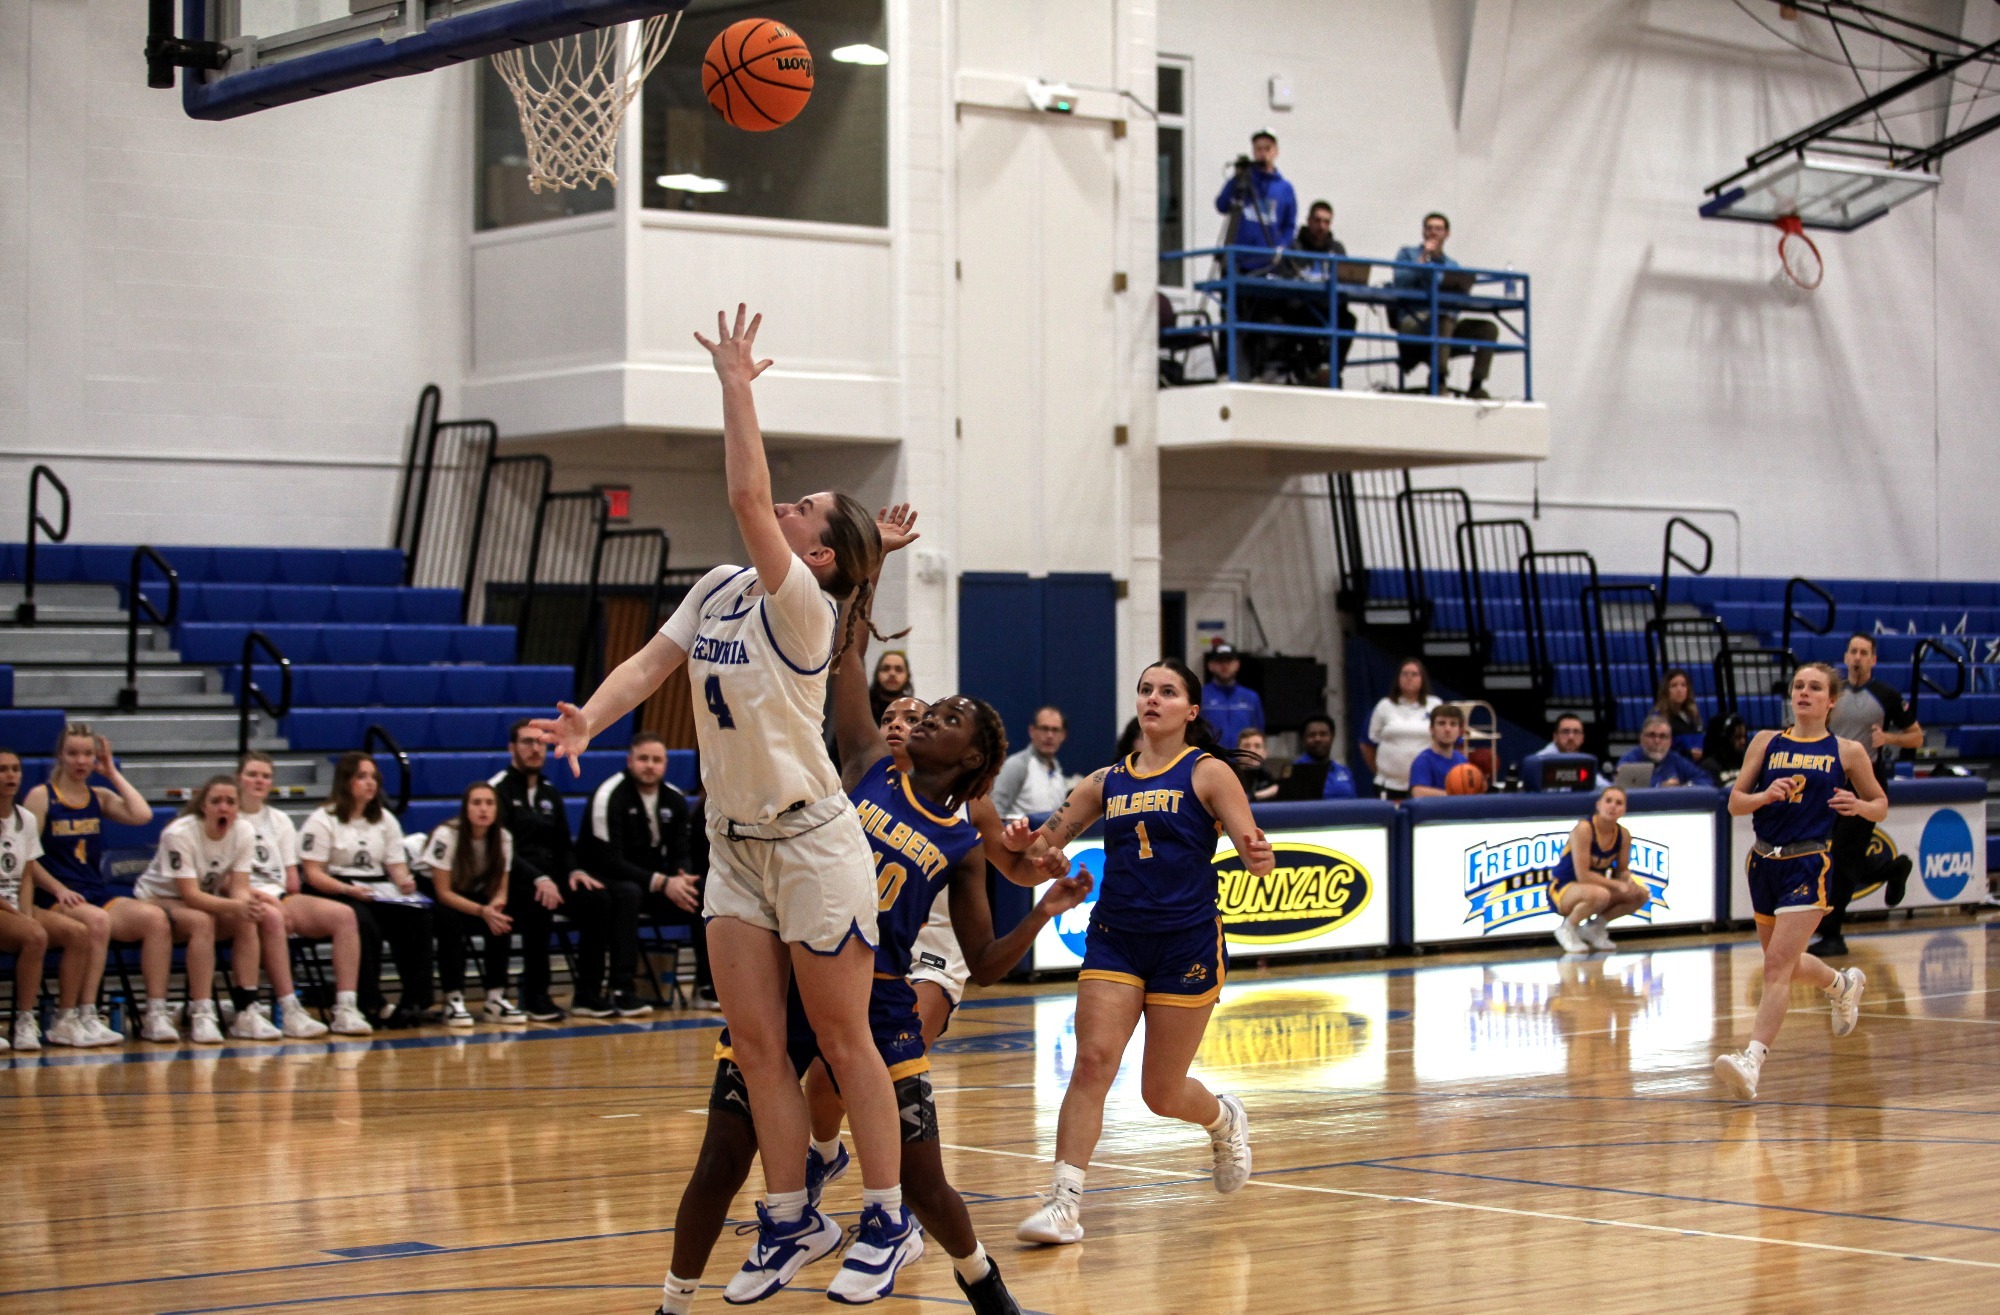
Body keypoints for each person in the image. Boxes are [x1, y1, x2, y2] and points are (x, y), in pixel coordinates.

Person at [535, 306, 917, 1304]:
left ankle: (887, 1215)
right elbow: (652, 663)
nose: (779, 510)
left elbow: (746, 490)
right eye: (788, 503)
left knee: (842, 1043)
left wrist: (735, 384)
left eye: (802, 510)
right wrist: (588, 721)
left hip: (811, 841)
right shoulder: (717, 587)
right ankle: (790, 1219)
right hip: (732, 845)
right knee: (755, 1052)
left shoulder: (806, 607)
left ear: (822, 556)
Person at [659, 610, 1074, 1315]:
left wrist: (1043, 907)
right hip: (793, 981)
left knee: (925, 1181)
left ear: (972, 756)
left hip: (879, 1001)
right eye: (924, 711)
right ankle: (679, 1299)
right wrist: (863, 567)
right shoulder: (867, 768)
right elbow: (846, 662)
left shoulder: (963, 841)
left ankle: (987, 1291)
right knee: (722, 1154)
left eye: (944, 718)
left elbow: (986, 957)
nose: (922, 719)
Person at [1008, 658, 1273, 1247]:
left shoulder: (1207, 774)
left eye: (1168, 691)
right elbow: (1034, 858)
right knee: (1092, 1063)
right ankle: (1063, 1204)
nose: (1153, 699)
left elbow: (1254, 845)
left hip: (1187, 942)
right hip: (1116, 938)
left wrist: (1260, 857)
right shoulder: (1104, 782)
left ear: (1191, 711)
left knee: (1160, 1092)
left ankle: (1224, 1119)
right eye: (1146, 689)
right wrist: (1031, 848)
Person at [1713, 664, 1881, 1101]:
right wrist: (1764, 796)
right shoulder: (1766, 742)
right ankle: (1841, 985)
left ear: (1831, 701)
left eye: (1815, 688)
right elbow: (1734, 803)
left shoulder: (1847, 751)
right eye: (1799, 686)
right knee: (1781, 962)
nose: (1804, 692)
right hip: (1763, 861)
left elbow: (1880, 804)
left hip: (1808, 862)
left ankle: (1752, 1060)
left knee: (1775, 967)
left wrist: (1857, 806)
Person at [134, 775, 323, 1041]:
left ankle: (248, 1010)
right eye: (217, 801)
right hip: (158, 899)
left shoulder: (243, 831)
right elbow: (190, 896)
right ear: (204, 806)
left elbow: (238, 889)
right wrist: (237, 905)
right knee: (203, 920)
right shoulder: (179, 833)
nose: (224, 808)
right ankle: (199, 1012)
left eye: (230, 802)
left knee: (254, 916)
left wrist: (250, 904)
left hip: (202, 899)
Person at [23, 724, 176, 1045]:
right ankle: (82, 1013)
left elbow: (142, 815)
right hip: (53, 894)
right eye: (73, 753)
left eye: (88, 754)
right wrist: (57, 889)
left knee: (156, 920)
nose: (81, 761)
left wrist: (112, 774)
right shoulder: (42, 796)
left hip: (93, 890)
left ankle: (155, 1014)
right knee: (97, 920)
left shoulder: (100, 796)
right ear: (61, 756)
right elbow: (26, 856)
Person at [571, 732, 711, 1015]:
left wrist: (681, 878)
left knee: (704, 892)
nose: (650, 765)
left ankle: (707, 987)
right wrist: (661, 882)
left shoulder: (672, 797)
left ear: (666, 764)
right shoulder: (610, 795)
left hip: (653, 883)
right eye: (643, 759)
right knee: (627, 894)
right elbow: (608, 860)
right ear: (629, 760)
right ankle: (622, 988)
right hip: (605, 879)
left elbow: (680, 850)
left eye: (657, 760)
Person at [237, 753, 372, 1036]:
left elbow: (292, 878)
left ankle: (346, 1008)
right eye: (252, 774)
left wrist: (286, 900)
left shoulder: (280, 820)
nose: (259, 781)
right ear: (239, 778)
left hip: (279, 894)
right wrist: (272, 902)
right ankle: (289, 1010)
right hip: (241, 895)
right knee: (272, 916)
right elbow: (227, 881)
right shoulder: (229, 816)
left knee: (344, 915)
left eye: (265, 776)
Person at [300, 751, 435, 1028]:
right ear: (345, 781)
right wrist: (348, 891)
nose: (370, 783)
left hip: (376, 887)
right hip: (335, 887)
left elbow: (396, 866)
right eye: (362, 776)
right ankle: (369, 1001)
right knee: (362, 922)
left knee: (417, 918)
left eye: (374, 777)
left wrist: (405, 882)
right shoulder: (323, 818)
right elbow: (313, 874)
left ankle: (415, 1000)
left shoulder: (384, 819)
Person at [1814, 632, 1922, 956]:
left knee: (1845, 857)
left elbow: (1916, 736)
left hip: (1865, 782)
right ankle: (1891, 868)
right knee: (1838, 855)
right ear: (1845, 657)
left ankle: (1833, 934)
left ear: (1874, 659)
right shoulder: (1833, 692)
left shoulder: (1886, 694)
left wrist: (1889, 737)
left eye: (1864, 652)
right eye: (1853, 652)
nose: (1858, 657)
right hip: (1830, 779)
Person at [1, 747, 113, 1051]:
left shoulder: (23, 818)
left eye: (14, 769)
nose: (10, 775)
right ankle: (24, 1019)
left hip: (15, 904)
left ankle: (64, 1020)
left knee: (79, 933)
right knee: (35, 935)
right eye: (3, 770)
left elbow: (26, 872)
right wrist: (19, 918)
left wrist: (24, 912)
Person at [489, 717, 593, 1022]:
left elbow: (563, 844)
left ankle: (590, 993)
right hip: (514, 876)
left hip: (551, 875)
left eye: (541, 742)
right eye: (528, 742)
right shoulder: (499, 790)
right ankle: (536, 995)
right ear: (512, 748)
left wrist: (574, 872)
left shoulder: (550, 792)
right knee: (540, 903)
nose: (536, 749)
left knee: (597, 899)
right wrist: (539, 878)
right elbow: (501, 849)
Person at [420, 781, 529, 1026]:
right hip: (435, 891)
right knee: (449, 920)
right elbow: (443, 892)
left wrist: (493, 910)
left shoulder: (502, 837)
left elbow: (502, 890)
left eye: (489, 803)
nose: (483, 809)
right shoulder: (447, 835)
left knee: (502, 917)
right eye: (477, 803)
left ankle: (495, 997)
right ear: (466, 809)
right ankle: (453, 998)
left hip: (472, 890)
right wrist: (482, 911)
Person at [1392, 212, 1499, 398]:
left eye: (1438, 229)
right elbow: (1400, 282)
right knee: (1444, 317)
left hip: (1444, 324)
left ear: (1447, 234)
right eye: (1429, 228)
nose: (1433, 232)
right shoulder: (1407, 254)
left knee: (1487, 329)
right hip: (1414, 321)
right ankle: (1439, 379)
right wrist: (1424, 258)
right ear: (1423, 232)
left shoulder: (1451, 264)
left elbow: (1457, 298)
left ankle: (1476, 385)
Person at [1549, 787, 1649, 954]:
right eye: (1608, 801)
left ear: (1624, 810)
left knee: (1640, 894)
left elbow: (1622, 870)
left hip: (1595, 889)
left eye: (1619, 803)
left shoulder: (1623, 834)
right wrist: (1617, 885)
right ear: (1598, 804)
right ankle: (1567, 928)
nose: (1613, 806)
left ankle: (1595, 928)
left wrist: (1628, 880)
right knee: (1601, 894)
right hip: (1563, 888)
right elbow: (1583, 876)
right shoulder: (1584, 829)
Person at [1275, 200, 1358, 386]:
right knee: (1304, 319)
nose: (1322, 226)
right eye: (1318, 221)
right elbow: (1285, 278)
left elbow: (1347, 278)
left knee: (1348, 320)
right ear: (1309, 220)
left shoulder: (1336, 249)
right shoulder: (1294, 247)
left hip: (1328, 308)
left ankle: (1331, 369)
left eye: (1326, 222)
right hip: (1301, 307)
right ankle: (1310, 368)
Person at [1211, 130, 1295, 264]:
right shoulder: (1242, 180)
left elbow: (1289, 225)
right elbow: (1221, 205)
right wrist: (1236, 180)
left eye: (1267, 148)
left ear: (1275, 152)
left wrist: (1281, 246)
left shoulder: (1284, 189)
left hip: (1268, 261)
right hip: (1239, 259)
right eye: (1258, 149)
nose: (1263, 154)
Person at [1363, 658, 1441, 799]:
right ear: (1398, 678)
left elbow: (1446, 740)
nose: (1409, 678)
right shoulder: (1384, 706)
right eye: (1405, 674)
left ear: (1422, 678)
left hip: (1426, 785)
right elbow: (1368, 744)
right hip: (1388, 785)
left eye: (1414, 674)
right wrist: (1381, 770)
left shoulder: (1435, 705)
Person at [991, 705, 1070, 819]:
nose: (1049, 735)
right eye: (1044, 728)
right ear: (1032, 731)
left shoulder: (1057, 770)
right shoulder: (1016, 765)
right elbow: (995, 812)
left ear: (1063, 735)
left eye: (1055, 730)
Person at [1199, 644, 1264, 752]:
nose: (1224, 666)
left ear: (1237, 665)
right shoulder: (1200, 695)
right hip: (1210, 760)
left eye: (1229, 661)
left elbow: (1259, 733)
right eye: (1220, 661)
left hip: (1243, 761)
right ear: (1210, 665)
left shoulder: (1251, 697)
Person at [1618, 716, 1711, 787]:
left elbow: (1705, 779)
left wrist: (1685, 787)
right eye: (1651, 735)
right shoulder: (1629, 761)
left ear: (1670, 741)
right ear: (1641, 738)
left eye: (1663, 736)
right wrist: (1660, 788)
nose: (1657, 741)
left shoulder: (1675, 759)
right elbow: (1623, 790)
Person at [1525, 713, 1609, 786]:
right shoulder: (1542, 760)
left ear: (1582, 738)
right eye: (1565, 731)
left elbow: (1602, 786)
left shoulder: (1582, 760)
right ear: (1555, 737)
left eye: (1576, 732)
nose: (1571, 737)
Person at [1407, 705, 1471, 798]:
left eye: (1453, 724)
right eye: (1441, 723)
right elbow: (1418, 792)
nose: (1447, 729)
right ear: (1431, 729)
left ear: (1459, 731)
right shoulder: (1423, 761)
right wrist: (1455, 795)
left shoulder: (1462, 760)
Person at [1292, 714, 1359, 799]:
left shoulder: (1344, 771)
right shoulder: (1295, 771)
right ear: (1303, 740)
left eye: (1323, 734)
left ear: (1332, 737)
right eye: (1312, 735)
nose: (1318, 739)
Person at [1653, 668, 1705, 760]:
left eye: (1683, 685)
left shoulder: (1694, 716)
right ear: (1666, 690)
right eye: (1674, 686)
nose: (1679, 689)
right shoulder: (1660, 717)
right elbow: (1659, 748)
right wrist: (1687, 753)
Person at [1234, 728, 1281, 801]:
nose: (1252, 750)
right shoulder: (1229, 777)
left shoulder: (1270, 778)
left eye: (1257, 746)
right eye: (1246, 746)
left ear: (1266, 753)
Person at [868, 649, 913, 724]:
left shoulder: (913, 711)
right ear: (877, 674)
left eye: (899, 669)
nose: (892, 673)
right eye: (886, 669)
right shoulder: (863, 709)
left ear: (907, 676)